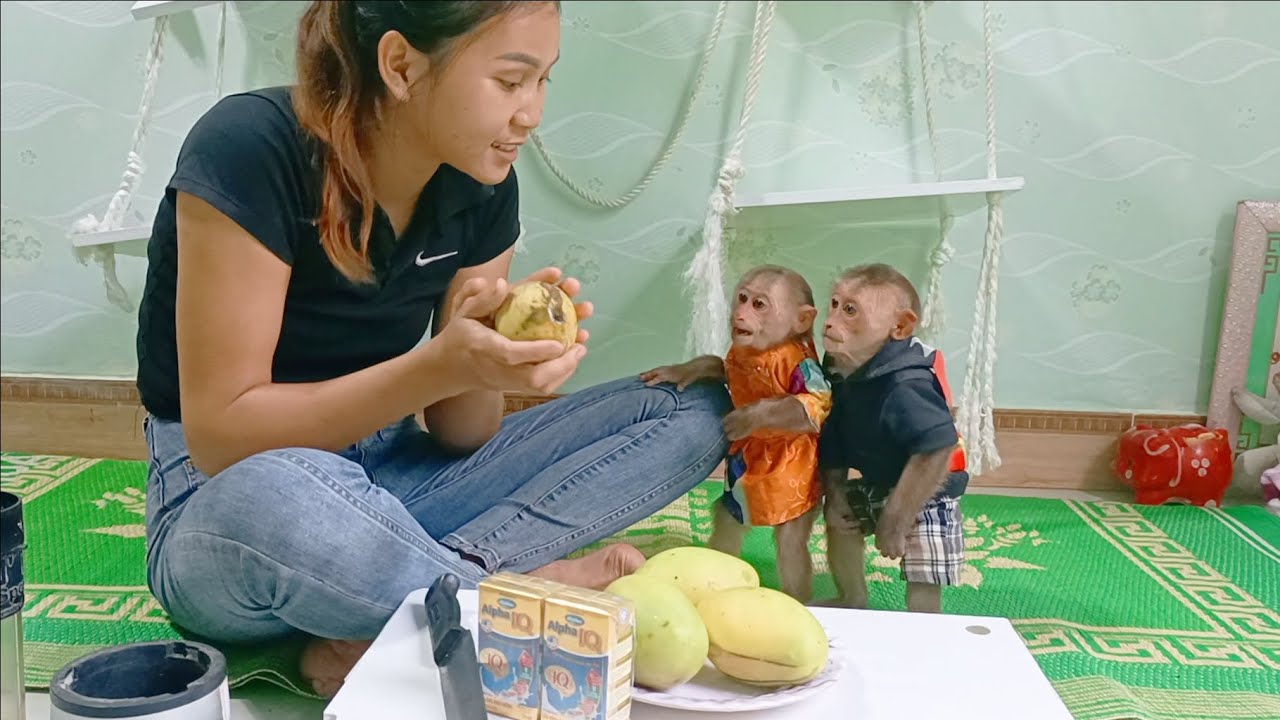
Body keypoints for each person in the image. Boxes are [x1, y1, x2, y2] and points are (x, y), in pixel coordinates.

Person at [134, 0, 731, 697]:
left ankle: (409, 607)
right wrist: (433, 366)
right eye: (510, 82)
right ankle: (499, 600)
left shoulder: (481, 183)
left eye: (545, 81)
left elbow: (460, 432)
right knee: (286, 496)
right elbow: (223, 437)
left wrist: (480, 363)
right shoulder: (249, 148)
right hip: (233, 501)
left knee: (697, 410)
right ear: (401, 65)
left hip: (398, 482)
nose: (531, 113)